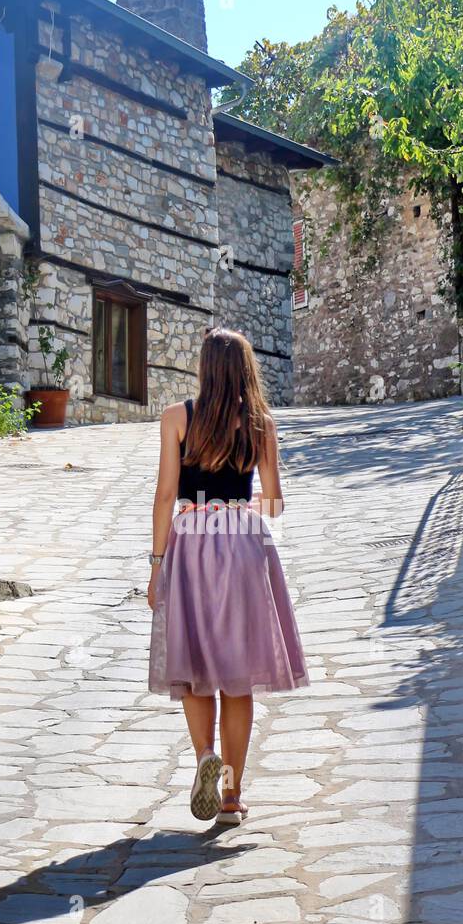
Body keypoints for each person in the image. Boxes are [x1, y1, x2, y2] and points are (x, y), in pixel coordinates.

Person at [147, 327, 308, 825]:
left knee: (194, 667)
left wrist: (156, 566)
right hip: (241, 543)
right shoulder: (260, 423)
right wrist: (239, 507)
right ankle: (233, 796)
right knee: (237, 678)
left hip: (191, 544)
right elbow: (275, 502)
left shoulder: (178, 418)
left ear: (204, 367)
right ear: (246, 369)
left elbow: (165, 496)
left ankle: (203, 761)